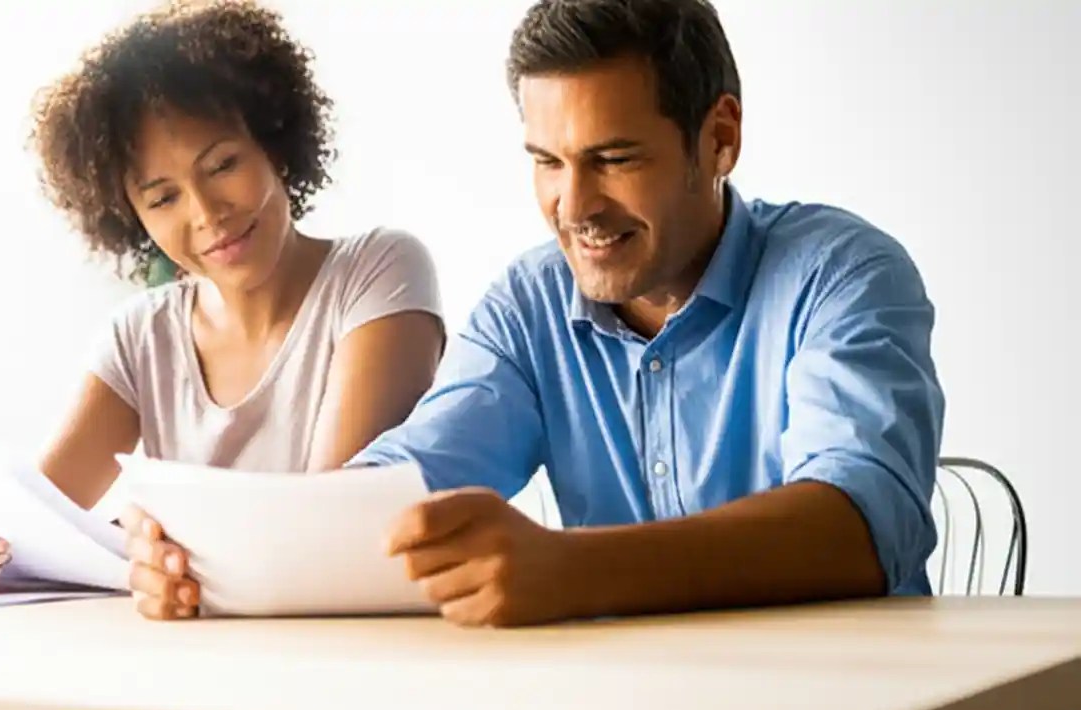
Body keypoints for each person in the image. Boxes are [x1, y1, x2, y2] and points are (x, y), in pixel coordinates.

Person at [357, 0, 945, 627]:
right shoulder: (528, 306)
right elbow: (403, 482)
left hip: (848, 677)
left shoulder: (841, 273)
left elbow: (861, 523)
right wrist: (295, 530)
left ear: (719, 139)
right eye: (548, 162)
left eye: (615, 160)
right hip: (625, 680)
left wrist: (574, 571)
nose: (574, 207)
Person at [0, 0, 446, 620]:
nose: (206, 213)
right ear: (130, 218)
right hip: (194, 656)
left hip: (360, 652)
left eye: (223, 165)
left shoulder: (378, 271)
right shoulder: (141, 335)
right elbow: (30, 526)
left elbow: (325, 530)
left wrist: (151, 547)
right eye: (163, 198)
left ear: (275, 143)